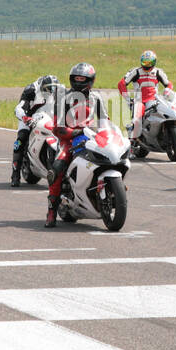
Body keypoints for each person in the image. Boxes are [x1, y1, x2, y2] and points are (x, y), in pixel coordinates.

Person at [44, 63, 110, 227]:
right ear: (72, 79)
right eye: (77, 79)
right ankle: (52, 210)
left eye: (83, 79)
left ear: (91, 80)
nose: (79, 82)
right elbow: (56, 126)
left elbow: (105, 121)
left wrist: (109, 133)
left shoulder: (96, 98)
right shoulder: (64, 98)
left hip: (91, 136)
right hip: (69, 138)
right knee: (57, 168)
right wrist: (73, 132)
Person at [11, 74, 60, 186]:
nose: (51, 93)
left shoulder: (59, 92)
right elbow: (19, 108)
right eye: (48, 89)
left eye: (54, 90)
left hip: (48, 120)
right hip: (29, 118)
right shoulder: (31, 90)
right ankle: (15, 174)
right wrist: (25, 118)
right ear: (42, 87)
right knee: (20, 140)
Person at [118, 50, 173, 145]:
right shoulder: (135, 72)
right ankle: (132, 145)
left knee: (167, 113)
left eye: (149, 63)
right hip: (140, 101)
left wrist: (167, 91)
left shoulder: (158, 72)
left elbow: (168, 84)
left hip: (155, 100)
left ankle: (165, 134)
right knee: (137, 120)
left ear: (154, 62)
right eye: (144, 62)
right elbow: (121, 84)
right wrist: (127, 98)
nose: (147, 65)